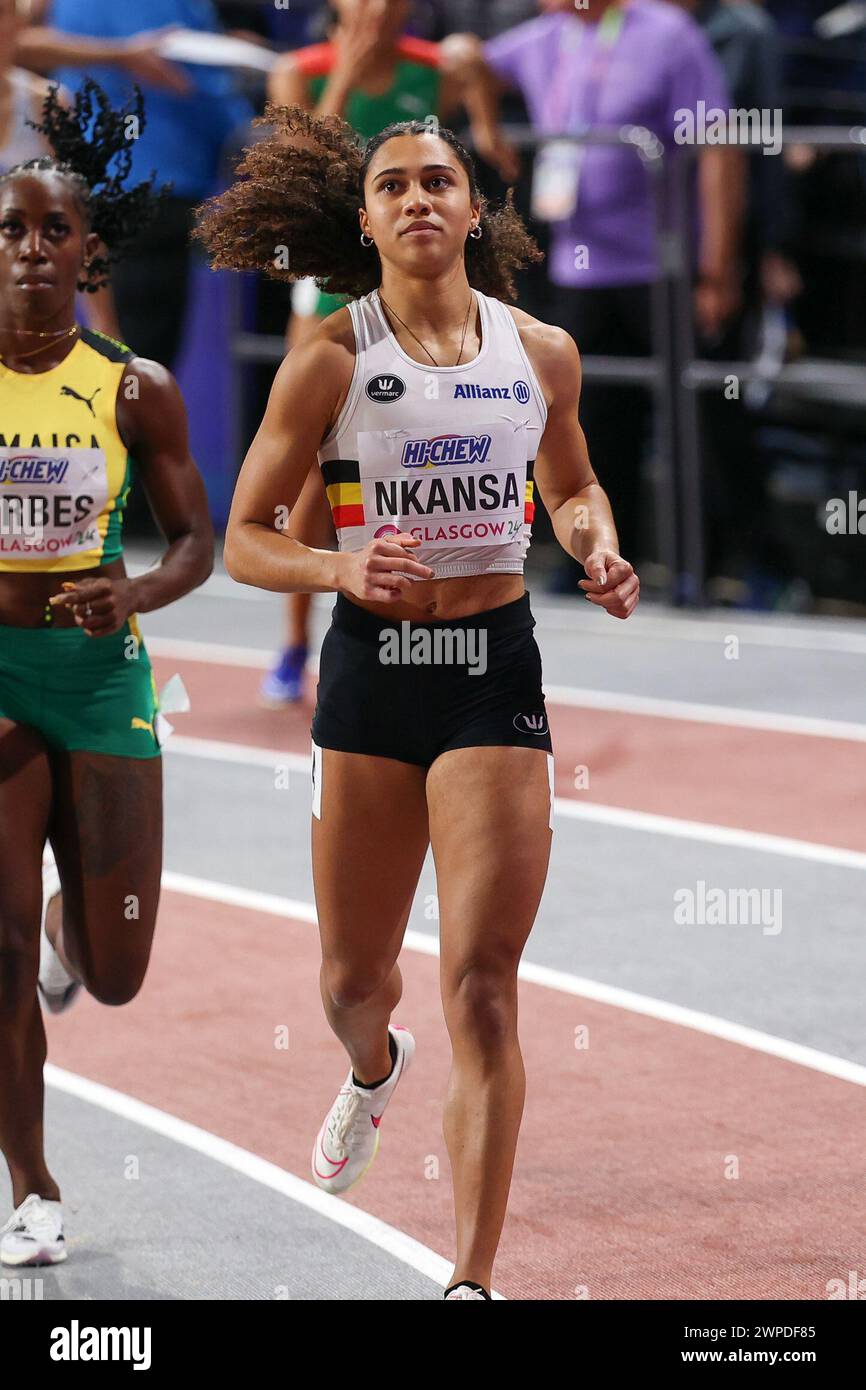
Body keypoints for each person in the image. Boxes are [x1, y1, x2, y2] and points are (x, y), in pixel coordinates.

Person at [195, 102, 640, 1300]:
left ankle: (470, 1280)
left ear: (472, 207)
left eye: (437, 181)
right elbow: (242, 540)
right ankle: (371, 1064)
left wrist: (592, 544)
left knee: (484, 985)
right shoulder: (332, 357)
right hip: (371, 677)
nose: (417, 201)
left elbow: (575, 480)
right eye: (392, 186)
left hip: (491, 672)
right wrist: (338, 563)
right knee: (351, 981)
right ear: (367, 219)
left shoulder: (538, 352)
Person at [0, 79, 213, 1266]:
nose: (31, 250)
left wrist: (128, 591)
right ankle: (32, 1183)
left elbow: (199, 543)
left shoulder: (136, 388)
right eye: (11, 230)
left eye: (53, 231)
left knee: (116, 969)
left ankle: (56, 929)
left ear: (88, 249)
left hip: (98, 674)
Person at [260, 0, 518, 706]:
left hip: (424, 287)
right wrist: (342, 76)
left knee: (425, 455)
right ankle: (292, 642)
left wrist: (486, 114)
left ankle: (442, 623)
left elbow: (487, 128)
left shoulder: (438, 69)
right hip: (335, 288)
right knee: (317, 473)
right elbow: (289, 175)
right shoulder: (298, 72)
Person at [447, 0, 743, 582]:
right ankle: (602, 559)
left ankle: (729, 568)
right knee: (593, 422)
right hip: (580, 270)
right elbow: (463, 61)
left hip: (667, 267)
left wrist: (718, 267)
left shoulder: (667, 33)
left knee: (705, 418)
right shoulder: (544, 37)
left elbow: (719, 148)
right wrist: (483, 115)